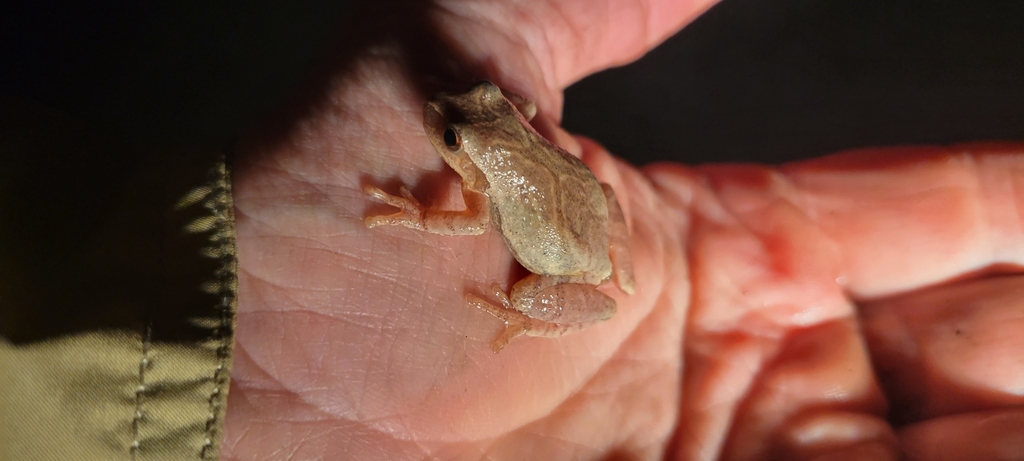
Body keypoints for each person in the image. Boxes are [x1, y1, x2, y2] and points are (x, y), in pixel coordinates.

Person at [4, 0, 1022, 459]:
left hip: (579, 255)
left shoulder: (481, 170)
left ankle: (526, 313)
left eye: (458, 128)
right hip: (575, 210)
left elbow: (461, 213)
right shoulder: (501, 148)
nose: (454, 119)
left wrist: (437, 209)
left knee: (529, 290)